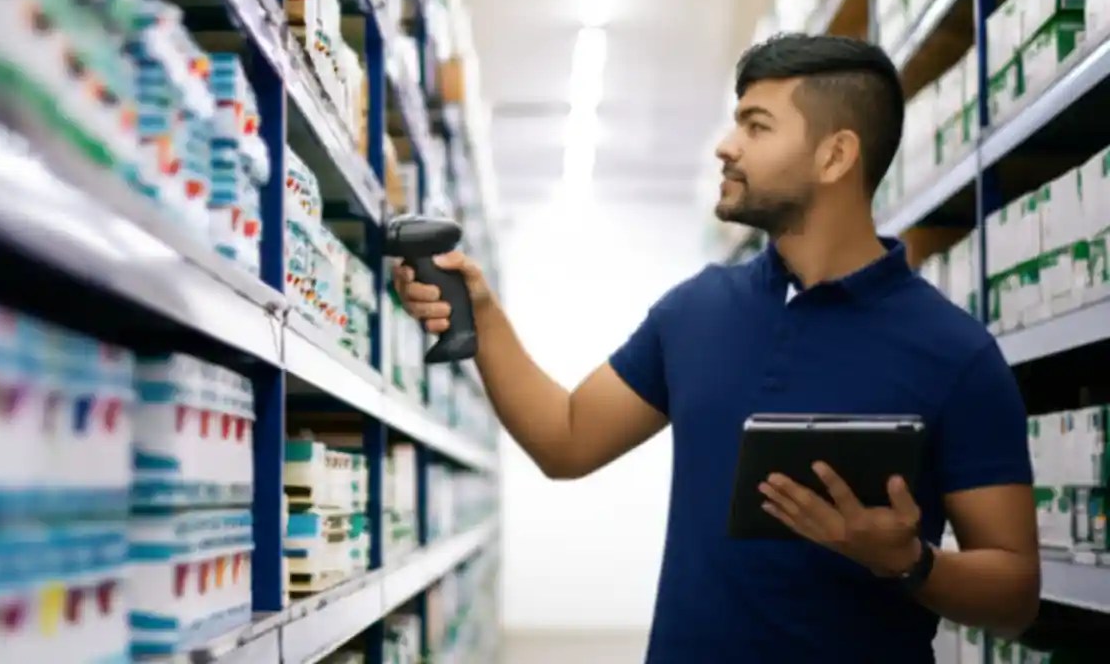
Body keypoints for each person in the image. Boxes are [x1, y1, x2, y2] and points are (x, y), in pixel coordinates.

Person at [392, 33, 1040, 663]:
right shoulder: (697, 310)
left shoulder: (954, 352)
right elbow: (565, 440)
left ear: (835, 156)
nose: (726, 148)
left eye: (757, 127)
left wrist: (909, 561)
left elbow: (1015, 594)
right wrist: (482, 312)